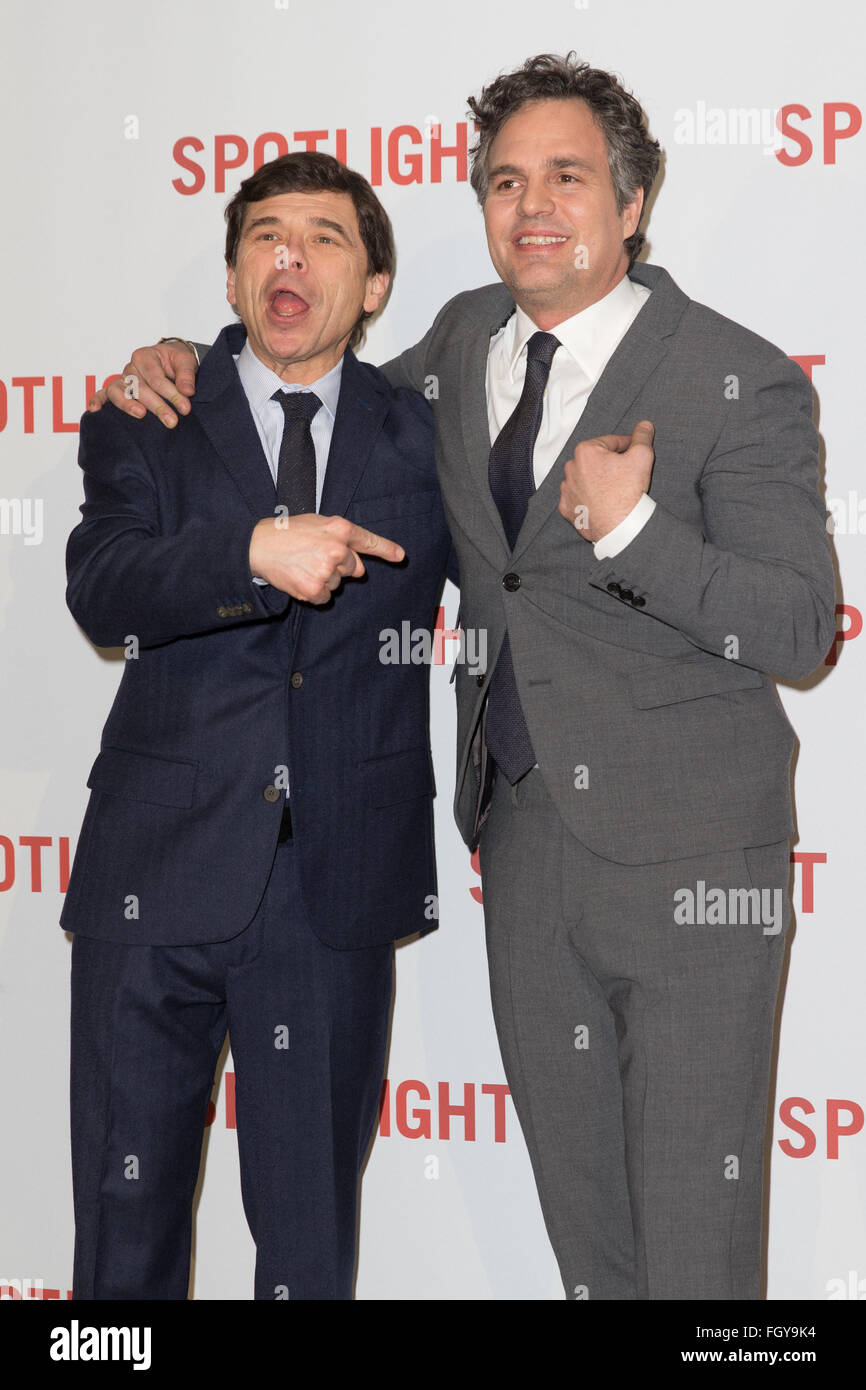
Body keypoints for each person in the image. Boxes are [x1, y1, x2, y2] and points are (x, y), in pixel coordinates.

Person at [94, 54, 835, 1300]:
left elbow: (800, 623)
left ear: (633, 199)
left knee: (697, 1259)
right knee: (585, 1235)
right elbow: (310, 393)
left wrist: (634, 532)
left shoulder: (737, 375)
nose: (530, 205)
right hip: (524, 844)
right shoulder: (463, 343)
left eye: (565, 177)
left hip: (695, 859)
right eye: (503, 180)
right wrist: (187, 358)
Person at [64, 151, 451, 1300]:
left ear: (373, 284)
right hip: (154, 875)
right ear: (233, 279)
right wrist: (248, 555)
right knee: (121, 1240)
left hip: (328, 895)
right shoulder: (150, 410)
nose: (290, 254)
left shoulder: (421, 434)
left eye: (325, 236)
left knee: (307, 1245)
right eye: (264, 235)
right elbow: (103, 583)